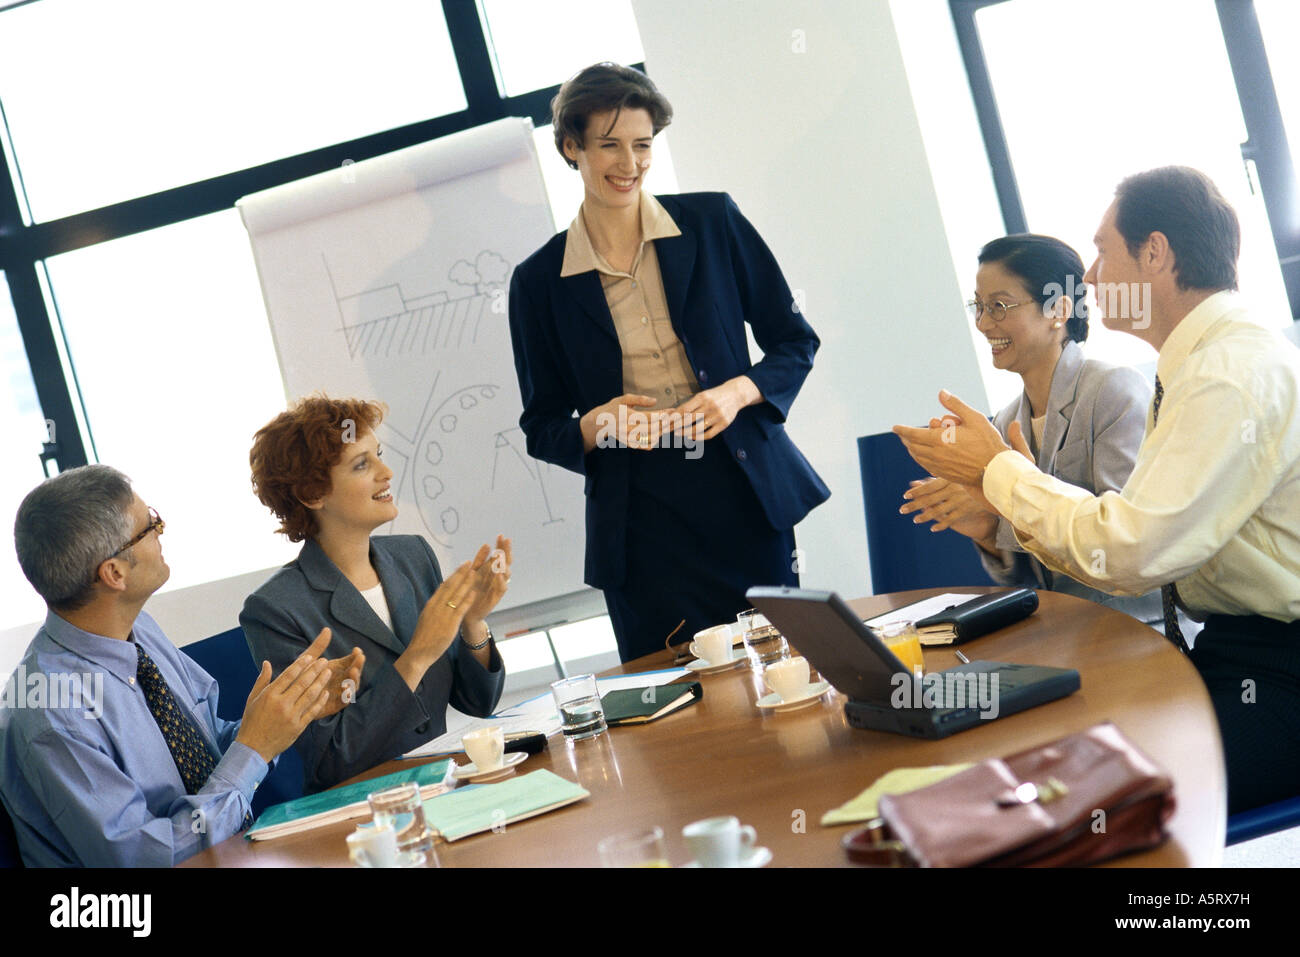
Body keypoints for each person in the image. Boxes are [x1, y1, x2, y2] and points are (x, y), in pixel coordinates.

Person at [894, 166, 1300, 813]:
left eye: (1102, 250)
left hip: (1281, 668)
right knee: (1036, 759)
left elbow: (1133, 551)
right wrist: (997, 489)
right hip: (1232, 647)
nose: (1088, 277)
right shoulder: (1202, 364)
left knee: (1080, 797)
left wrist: (999, 473)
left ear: (1155, 252)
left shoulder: (1226, 373)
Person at [507, 62, 829, 662]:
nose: (629, 164)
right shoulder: (538, 283)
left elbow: (794, 341)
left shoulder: (713, 223)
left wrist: (736, 393)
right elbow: (541, 425)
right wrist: (599, 423)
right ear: (571, 147)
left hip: (743, 490)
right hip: (639, 518)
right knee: (675, 706)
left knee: (782, 673)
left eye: (642, 144)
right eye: (609, 146)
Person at [0, 465, 361, 866]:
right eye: (149, 526)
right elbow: (144, 856)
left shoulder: (140, 631)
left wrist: (290, 711)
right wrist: (254, 748)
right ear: (114, 573)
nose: (160, 531)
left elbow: (210, 752)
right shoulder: (51, 712)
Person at [240, 395, 509, 793]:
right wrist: (417, 657)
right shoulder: (275, 610)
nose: (387, 472)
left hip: (444, 785)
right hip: (364, 815)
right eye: (362, 464)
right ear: (314, 494)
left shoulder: (414, 555)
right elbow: (331, 757)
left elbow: (478, 703)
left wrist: (473, 622)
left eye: (378, 455)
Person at [900, 234, 1162, 623]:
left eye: (999, 306)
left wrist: (1007, 506)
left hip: (1136, 627)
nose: (984, 323)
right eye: (979, 306)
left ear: (1057, 309)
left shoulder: (1113, 390)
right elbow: (1031, 582)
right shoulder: (1005, 421)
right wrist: (989, 533)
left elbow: (1127, 546)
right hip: (1061, 629)